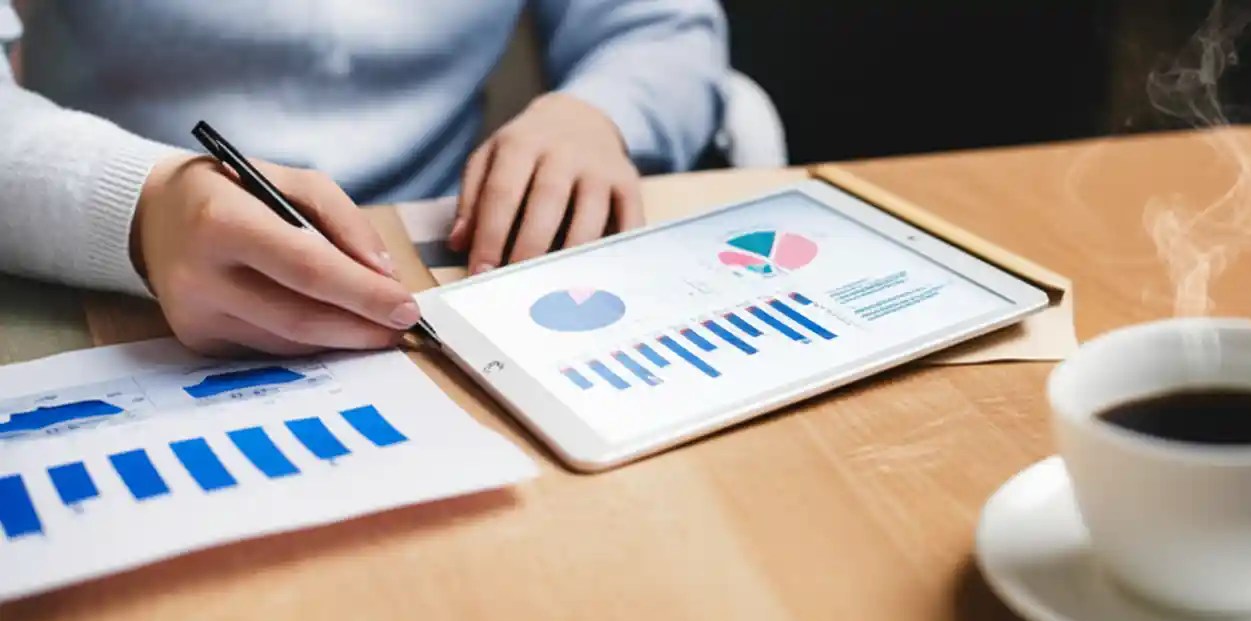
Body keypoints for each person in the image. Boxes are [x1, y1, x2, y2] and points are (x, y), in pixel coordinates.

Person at [0, 1, 727, 356]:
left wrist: (597, 113)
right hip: (108, 280)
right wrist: (139, 203)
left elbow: (659, 26)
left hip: (438, 261)